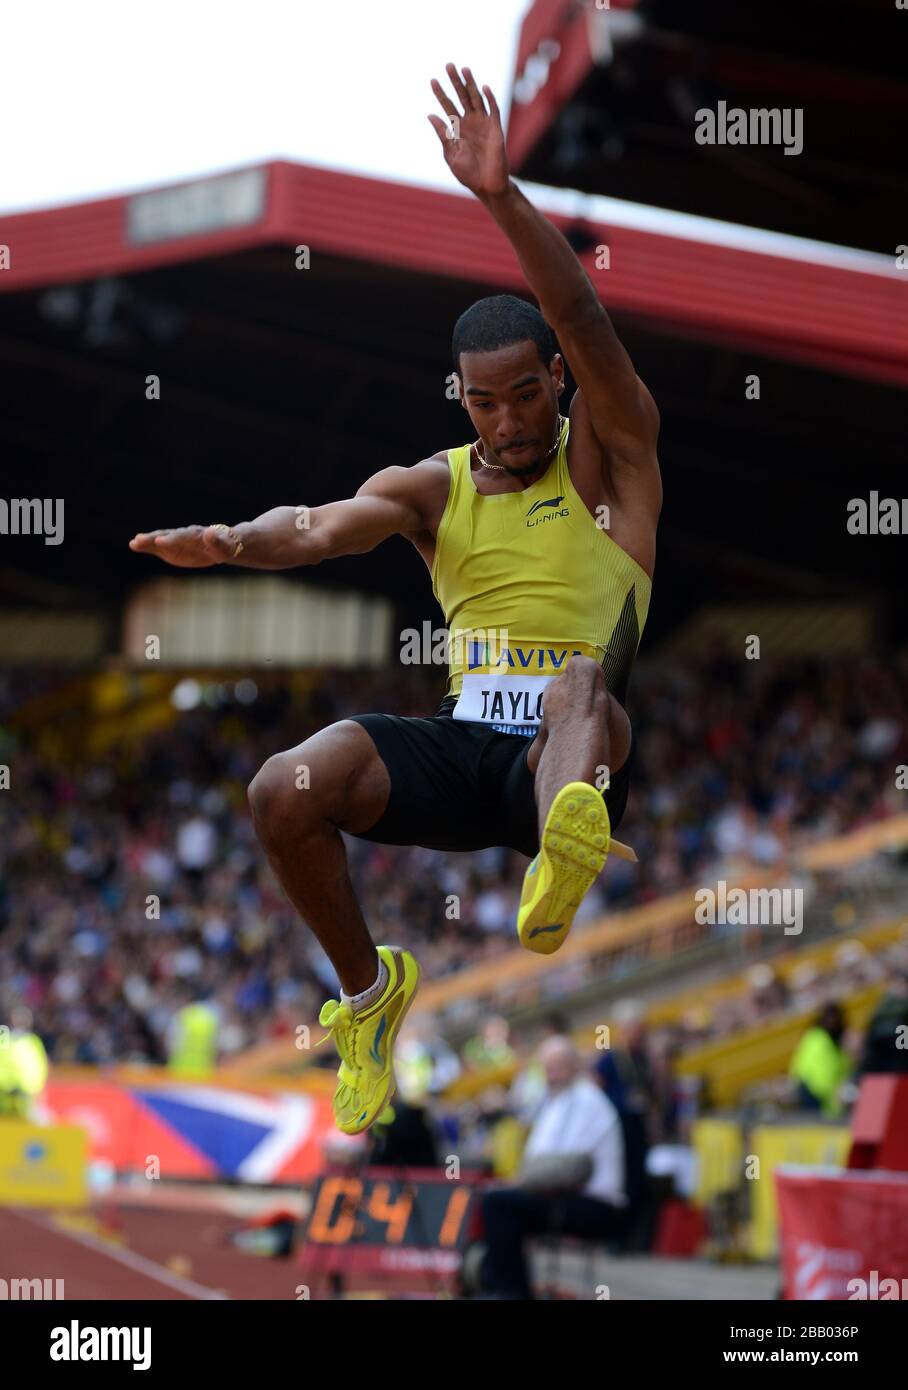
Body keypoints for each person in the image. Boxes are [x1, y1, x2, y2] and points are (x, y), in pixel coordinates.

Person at [128, 63, 662, 1136]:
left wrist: (499, 198)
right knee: (283, 787)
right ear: (458, 397)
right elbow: (319, 524)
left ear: (556, 381)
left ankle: (564, 842)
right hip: (467, 750)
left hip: (567, 746)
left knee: (578, 681)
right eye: (484, 401)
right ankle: (369, 999)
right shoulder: (436, 485)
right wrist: (235, 539)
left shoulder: (611, 458)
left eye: (526, 394)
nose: (508, 420)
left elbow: (583, 314)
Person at [480, 1036, 628, 1299]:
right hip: (560, 1195)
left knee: (498, 1203)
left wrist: (522, 1182)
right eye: (547, 1068)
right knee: (493, 1199)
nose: (551, 1075)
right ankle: (499, 1285)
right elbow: (541, 1163)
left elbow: (571, 1169)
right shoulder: (555, 1102)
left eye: (557, 1067)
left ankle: (511, 1292)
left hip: (595, 1204)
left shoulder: (588, 1102)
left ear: (575, 1066)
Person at [788, 1002, 852, 1117]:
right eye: (829, 1018)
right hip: (816, 1096)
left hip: (825, 1098)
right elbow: (822, 1074)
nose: (832, 1022)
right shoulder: (820, 1039)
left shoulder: (827, 1040)